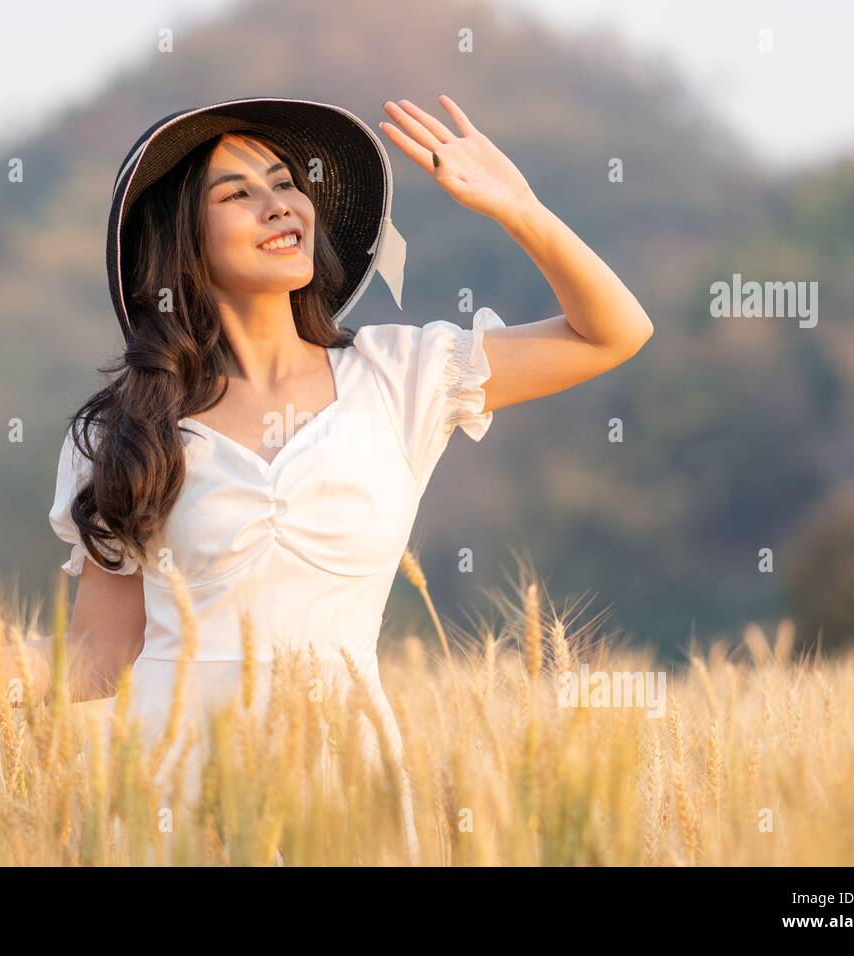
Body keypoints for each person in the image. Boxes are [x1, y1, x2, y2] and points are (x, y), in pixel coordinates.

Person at [34, 95, 653, 864]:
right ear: (182, 239)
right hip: (169, 794)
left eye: (286, 182)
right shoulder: (122, 430)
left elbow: (614, 332)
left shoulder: (403, 373)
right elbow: (101, 652)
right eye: (238, 194)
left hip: (345, 779)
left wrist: (519, 210)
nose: (279, 205)